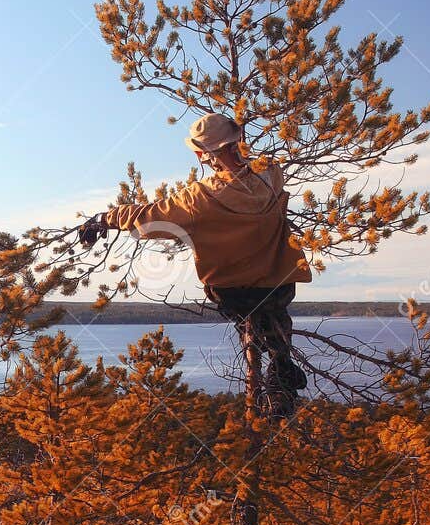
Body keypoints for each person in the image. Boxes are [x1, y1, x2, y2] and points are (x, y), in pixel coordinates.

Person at [80, 113, 311, 417]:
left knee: (248, 316)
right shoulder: (271, 173)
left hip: (233, 289)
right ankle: (280, 373)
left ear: (203, 155)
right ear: (238, 140)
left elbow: (147, 219)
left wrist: (103, 220)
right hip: (278, 280)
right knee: (274, 315)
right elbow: (249, 167)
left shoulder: (199, 198)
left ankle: (277, 377)